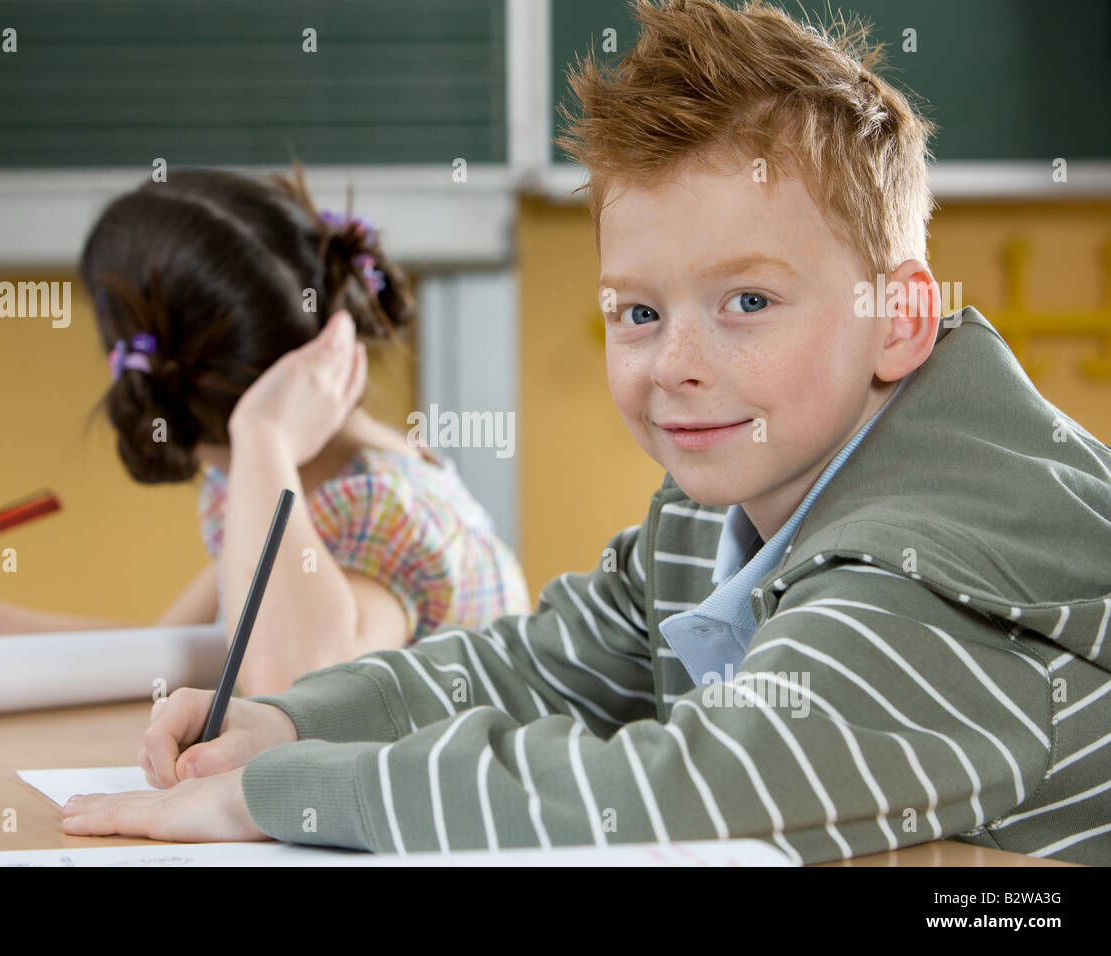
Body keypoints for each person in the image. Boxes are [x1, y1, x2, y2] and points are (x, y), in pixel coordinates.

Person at [60, 0, 1111, 863]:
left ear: (901, 318)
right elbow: (532, 667)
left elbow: (681, 789)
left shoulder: (939, 567)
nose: (675, 363)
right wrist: (293, 721)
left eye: (747, 300)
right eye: (638, 312)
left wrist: (284, 791)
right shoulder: (718, 512)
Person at [0, 164, 531, 698]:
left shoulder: (375, 510)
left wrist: (263, 436)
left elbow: (294, 690)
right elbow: (168, 660)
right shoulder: (266, 483)